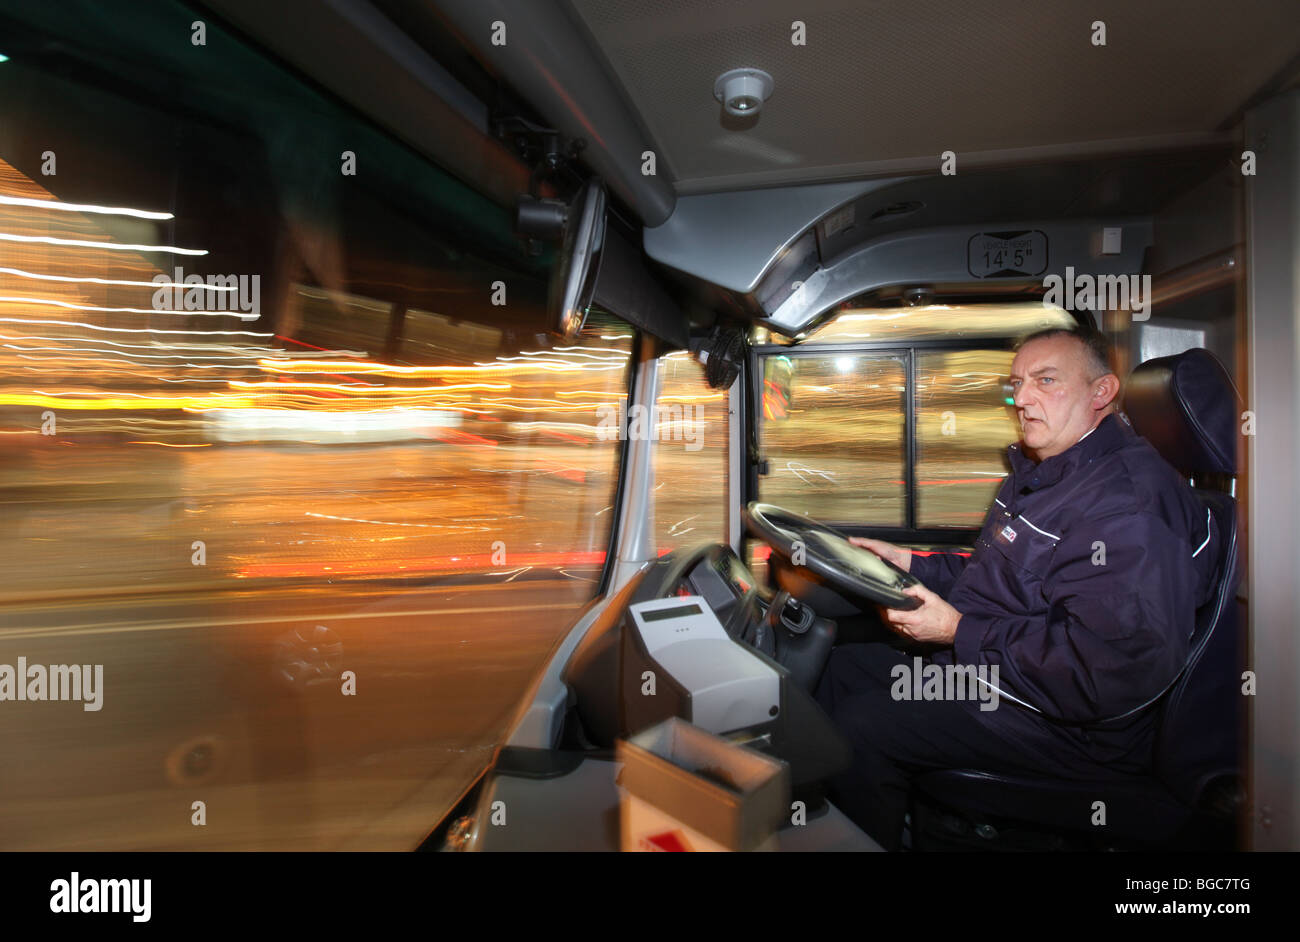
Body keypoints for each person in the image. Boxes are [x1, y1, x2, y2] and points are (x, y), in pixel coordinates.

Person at [813, 326, 1219, 849]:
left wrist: (958, 632)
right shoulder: (1048, 472)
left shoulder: (1127, 506)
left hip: (1076, 726)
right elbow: (1004, 580)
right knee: (839, 665)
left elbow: (1105, 669)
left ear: (1102, 393)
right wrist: (914, 563)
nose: (1021, 400)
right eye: (1017, 383)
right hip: (1017, 673)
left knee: (862, 723)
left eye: (1045, 381)